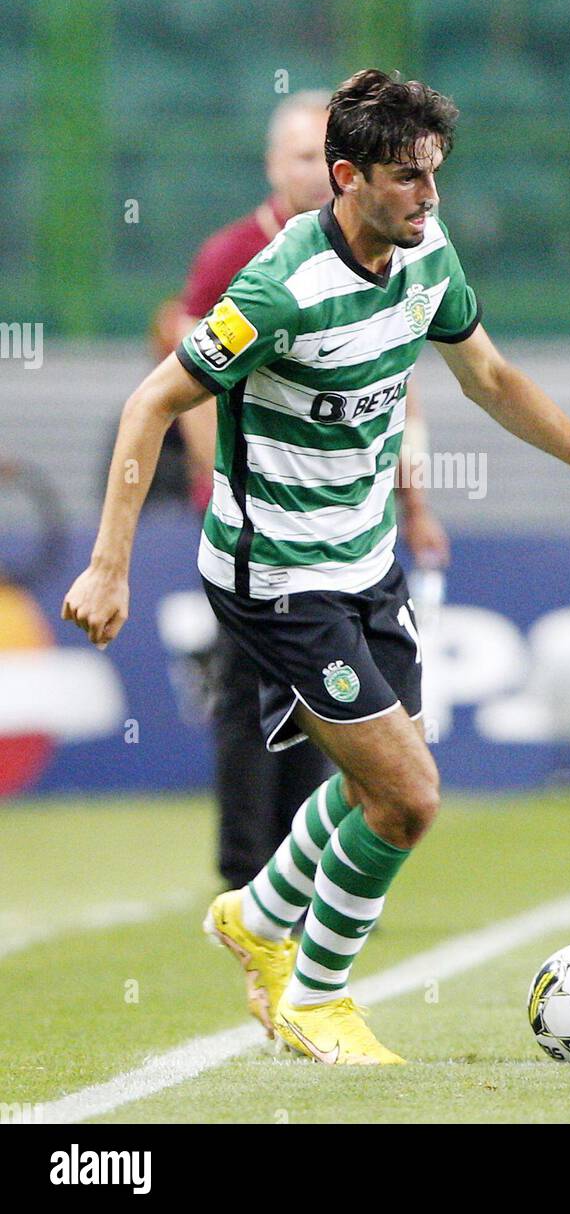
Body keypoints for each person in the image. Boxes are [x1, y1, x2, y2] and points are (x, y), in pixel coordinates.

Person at [61, 68, 570, 1066]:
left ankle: (257, 916)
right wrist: (110, 566)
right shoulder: (278, 286)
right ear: (346, 177)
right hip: (277, 575)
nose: (428, 196)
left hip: (365, 559)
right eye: (404, 177)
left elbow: (492, 380)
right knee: (410, 796)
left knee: (375, 778)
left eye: (434, 174)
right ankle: (317, 996)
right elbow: (151, 402)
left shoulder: (427, 261)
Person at [166, 90, 448, 891]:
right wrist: (218, 483)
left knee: (333, 733)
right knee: (249, 709)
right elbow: (179, 376)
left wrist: (414, 501)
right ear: (285, 165)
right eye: (296, 156)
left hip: (345, 537)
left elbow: (399, 385)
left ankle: (305, 881)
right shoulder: (243, 259)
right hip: (258, 534)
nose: (308, 170)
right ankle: (244, 875)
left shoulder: (387, 253)